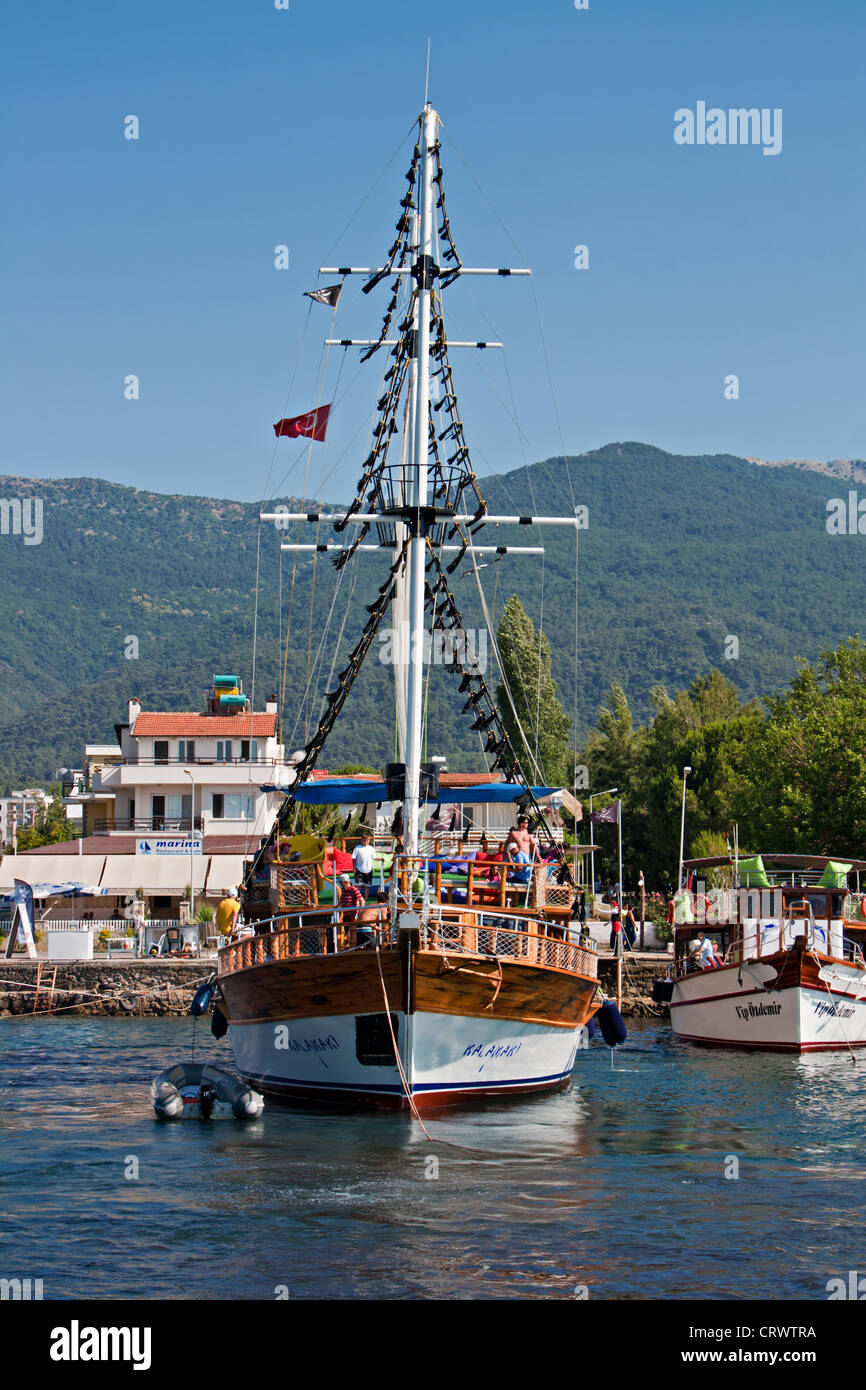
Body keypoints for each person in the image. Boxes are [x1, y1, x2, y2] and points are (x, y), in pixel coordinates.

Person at [337, 873, 364, 951]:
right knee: (347, 931)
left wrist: (361, 911)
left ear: (345, 882)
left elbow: (362, 900)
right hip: (346, 914)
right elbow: (342, 899)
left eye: (341, 882)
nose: (340, 884)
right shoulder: (343, 889)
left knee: (352, 931)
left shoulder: (353, 889)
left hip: (353, 914)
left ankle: (354, 947)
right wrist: (337, 906)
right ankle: (351, 947)